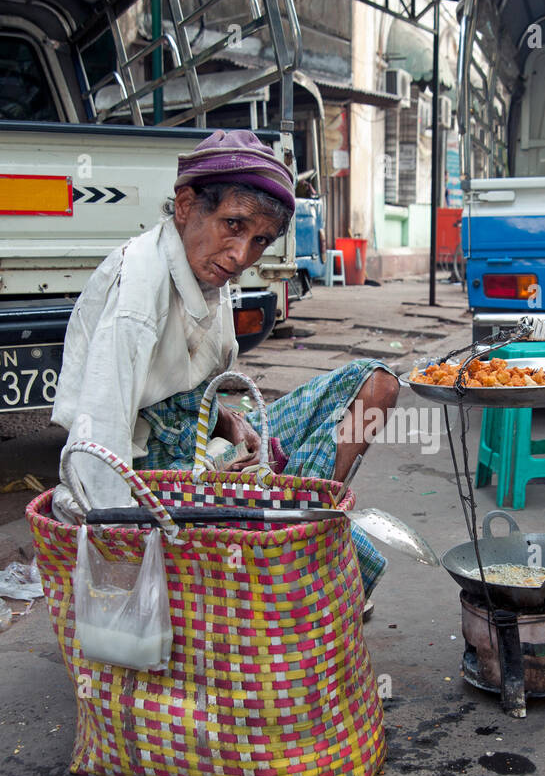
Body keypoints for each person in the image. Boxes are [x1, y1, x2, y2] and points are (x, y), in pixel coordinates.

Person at [51, 129, 398, 599]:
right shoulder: (138, 290)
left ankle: (294, 525)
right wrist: (121, 565)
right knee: (339, 553)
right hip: (156, 475)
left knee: (374, 385)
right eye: (233, 225)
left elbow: (201, 391)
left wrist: (232, 428)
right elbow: (99, 442)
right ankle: (288, 535)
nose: (241, 256)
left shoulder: (209, 275)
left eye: (260, 241)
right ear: (186, 205)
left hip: (202, 442)